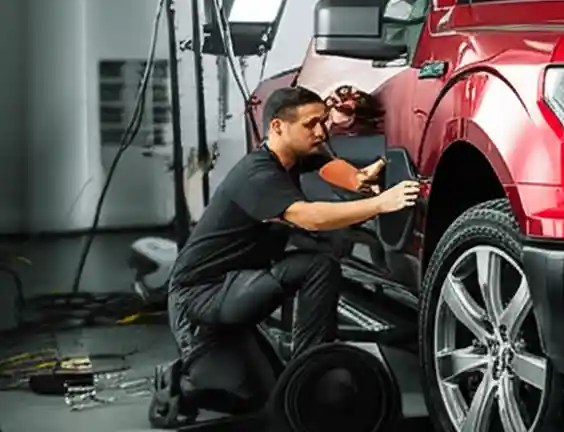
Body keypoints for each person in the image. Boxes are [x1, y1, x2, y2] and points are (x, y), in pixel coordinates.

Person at [160, 86, 419, 416]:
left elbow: (327, 164)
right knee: (316, 266)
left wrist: (358, 179)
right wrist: (381, 203)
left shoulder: (293, 156)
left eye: (323, 121)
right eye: (311, 124)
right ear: (277, 127)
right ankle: (310, 368)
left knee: (268, 396)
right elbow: (308, 218)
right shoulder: (256, 174)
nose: (321, 131)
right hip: (200, 298)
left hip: (236, 286)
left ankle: (306, 371)